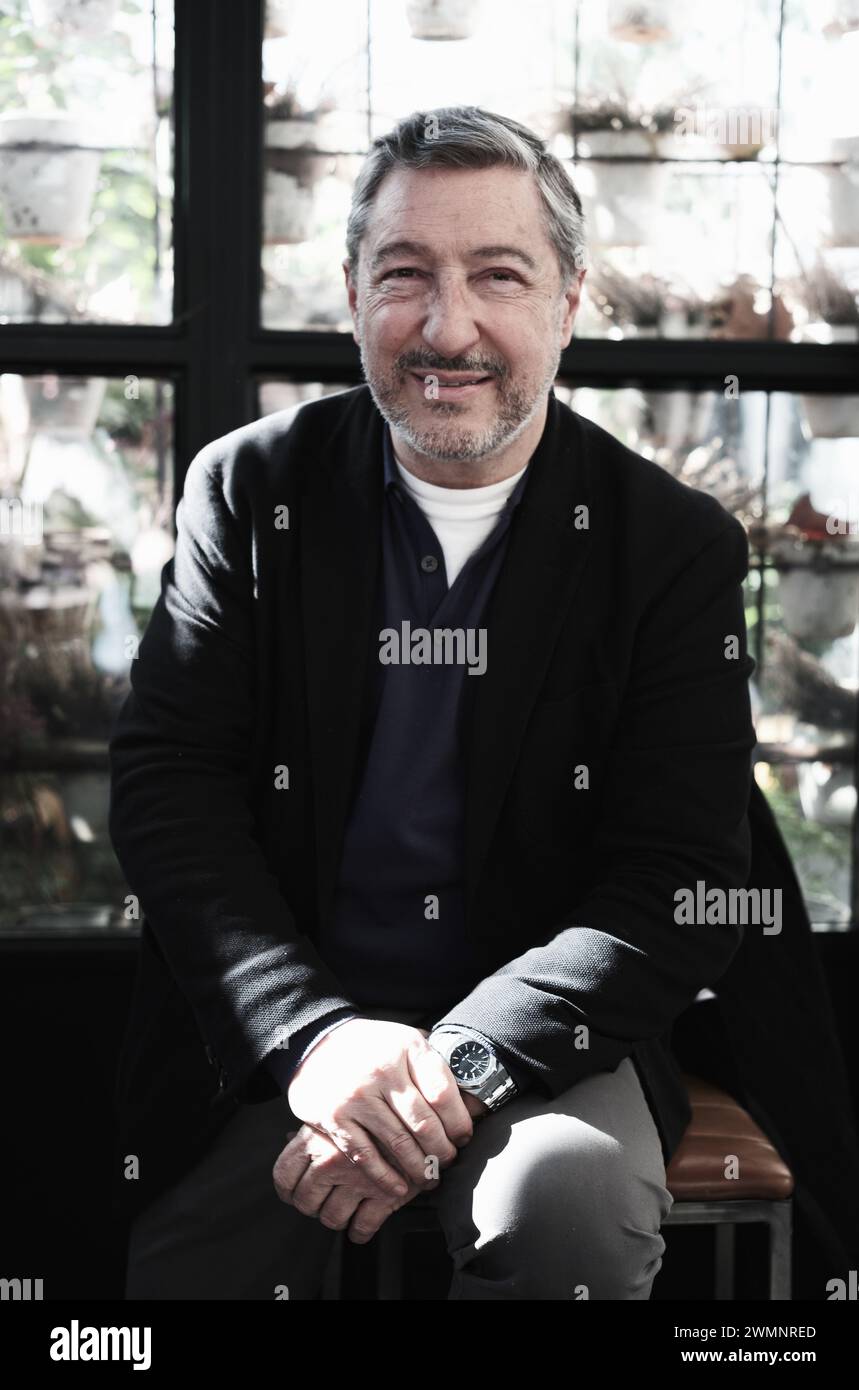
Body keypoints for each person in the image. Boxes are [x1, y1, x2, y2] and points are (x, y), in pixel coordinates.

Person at [109, 106, 756, 1300]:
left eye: (496, 276)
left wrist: (458, 1064)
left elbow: (677, 879)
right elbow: (168, 792)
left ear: (567, 301)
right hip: (287, 1029)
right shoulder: (249, 490)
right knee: (184, 1264)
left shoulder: (668, 545)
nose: (444, 327)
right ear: (350, 293)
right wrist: (315, 1037)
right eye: (403, 274)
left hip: (547, 1045)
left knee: (559, 1207)